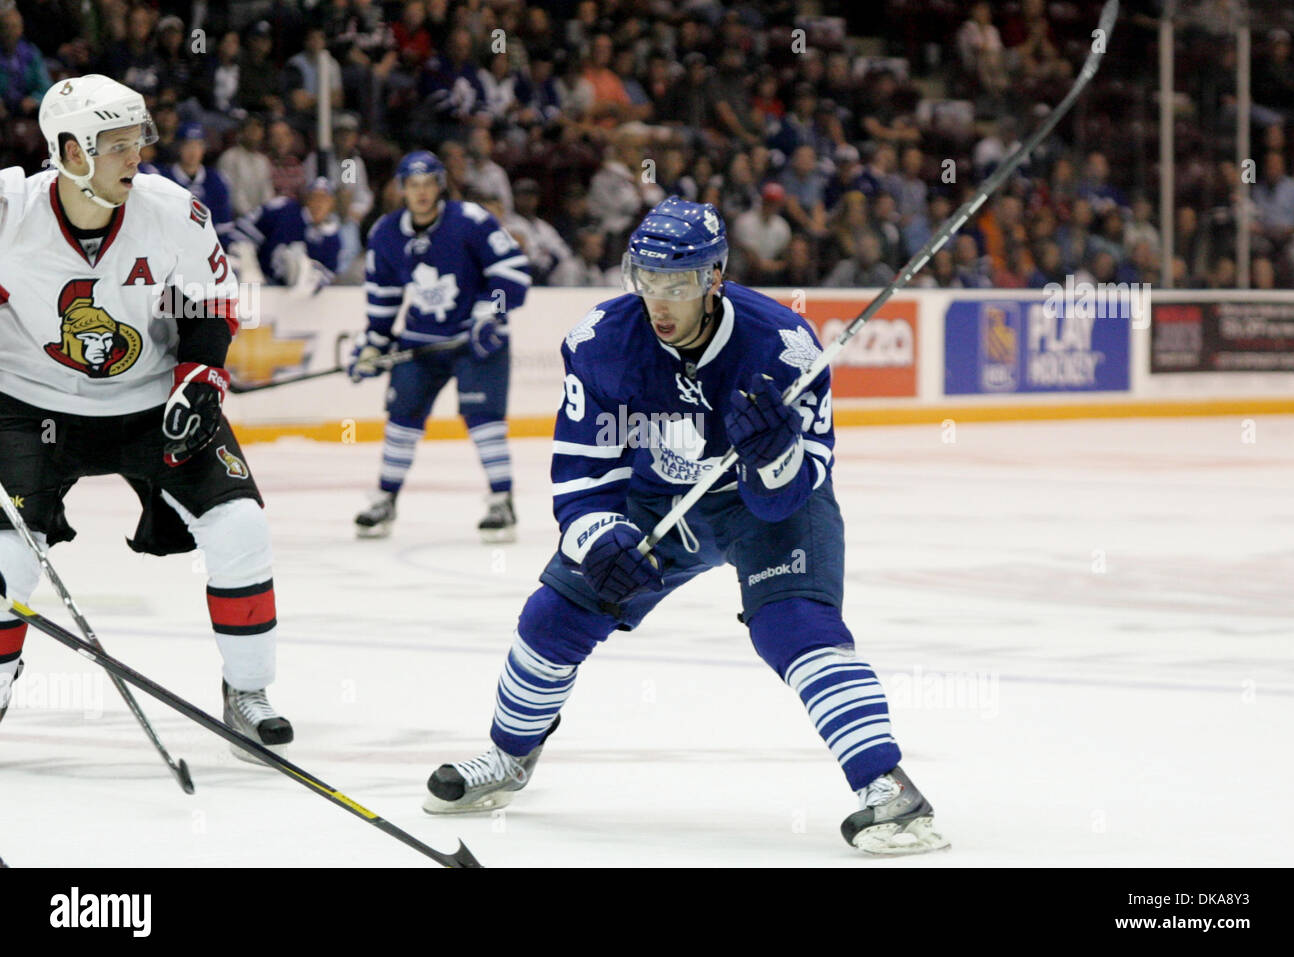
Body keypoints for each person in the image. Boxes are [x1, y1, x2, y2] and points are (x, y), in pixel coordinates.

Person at [420, 197, 949, 857]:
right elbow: (582, 469)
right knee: (552, 616)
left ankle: (887, 787)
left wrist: (773, 455)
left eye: (678, 284)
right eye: (646, 281)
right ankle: (507, 756)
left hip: (761, 507)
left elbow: (793, 493)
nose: (660, 302)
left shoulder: (782, 346)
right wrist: (597, 537)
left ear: (714, 278)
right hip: (655, 501)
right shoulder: (603, 341)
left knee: (796, 629)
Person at [0, 76, 292, 754]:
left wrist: (201, 381)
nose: (136, 156)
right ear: (70, 151)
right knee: (8, 554)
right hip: (29, 405)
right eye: (117, 144)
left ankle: (248, 690)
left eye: (139, 140)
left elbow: (212, 304)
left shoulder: (172, 212)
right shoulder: (9, 212)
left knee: (241, 525)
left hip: (152, 402)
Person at [348, 151, 532, 542]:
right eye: (413, 185)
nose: (421, 193)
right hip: (421, 343)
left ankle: (502, 500)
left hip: (475, 340)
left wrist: (490, 315)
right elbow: (383, 298)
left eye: (429, 183)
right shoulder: (385, 233)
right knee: (401, 419)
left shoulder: (471, 221)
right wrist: (373, 345)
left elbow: (514, 272)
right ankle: (385, 499)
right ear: (401, 190)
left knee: (484, 421)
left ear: (440, 186)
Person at [161, 122, 235, 245]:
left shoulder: (217, 180)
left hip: (209, 251)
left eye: (197, 145)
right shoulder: (163, 179)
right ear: (178, 147)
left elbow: (224, 226)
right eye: (188, 145)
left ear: (204, 148)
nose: (193, 151)